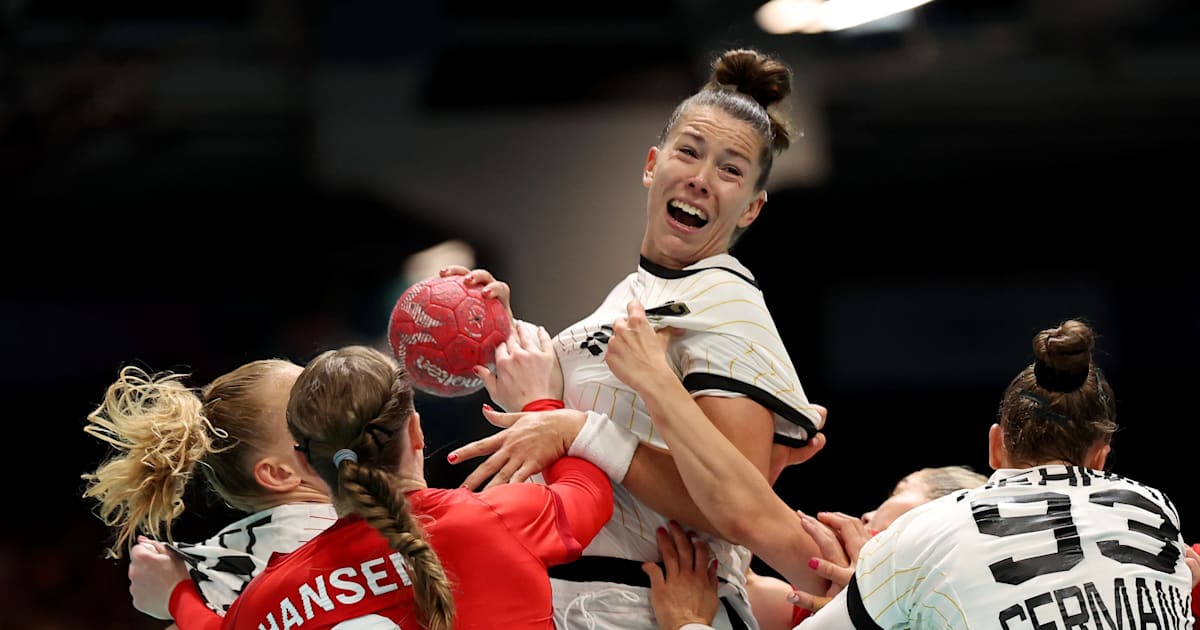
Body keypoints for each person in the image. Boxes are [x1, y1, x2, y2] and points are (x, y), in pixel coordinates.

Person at [445, 45, 828, 630]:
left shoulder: (726, 302)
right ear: (653, 164)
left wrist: (582, 430)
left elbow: (736, 505)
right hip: (571, 598)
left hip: (650, 604)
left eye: (729, 169)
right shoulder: (633, 294)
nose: (701, 180)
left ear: (751, 208)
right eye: (689, 153)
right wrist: (492, 326)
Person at [602, 306, 1196, 629]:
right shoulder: (1153, 516)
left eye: (885, 526)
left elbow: (750, 516)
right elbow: (743, 536)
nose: (862, 529)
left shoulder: (919, 544)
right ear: (1101, 459)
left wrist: (686, 625)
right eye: (874, 518)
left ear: (994, 452)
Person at [126, 342, 614, 629]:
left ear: (306, 456)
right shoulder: (495, 518)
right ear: (417, 430)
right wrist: (544, 412)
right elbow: (594, 491)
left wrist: (179, 596)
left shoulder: (265, 593)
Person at [82, 359, 337, 626]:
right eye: (316, 406)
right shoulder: (232, 577)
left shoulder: (202, 585)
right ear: (280, 473)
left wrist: (179, 597)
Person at [746, 465, 988, 630]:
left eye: (899, 491)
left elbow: (741, 511)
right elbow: (734, 586)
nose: (866, 515)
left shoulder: (878, 559)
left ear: (941, 506)